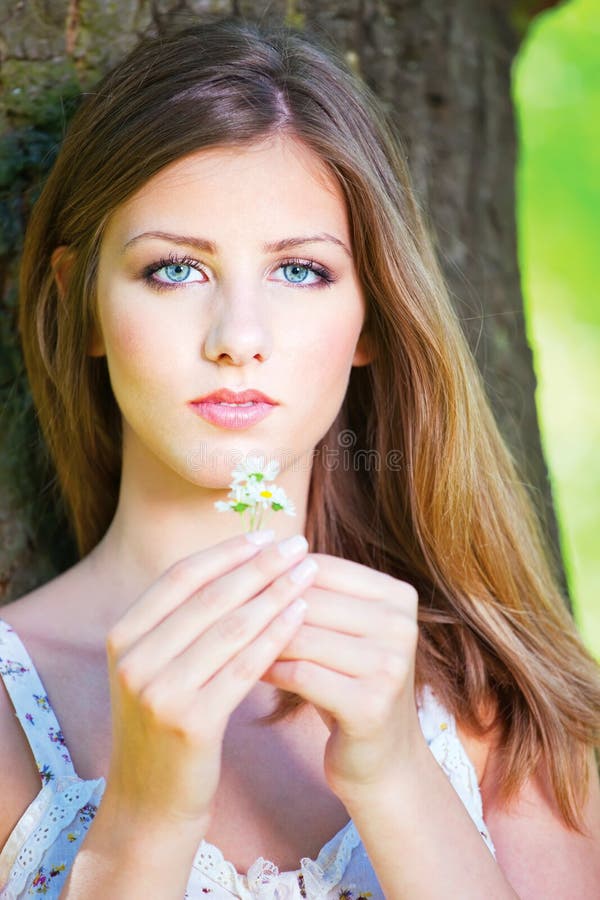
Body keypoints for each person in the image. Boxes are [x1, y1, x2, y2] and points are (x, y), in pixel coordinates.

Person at [0, 15, 598, 900]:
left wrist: (397, 776)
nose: (239, 339)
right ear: (79, 301)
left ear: (370, 315)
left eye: (300, 272)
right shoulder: (13, 712)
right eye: (173, 269)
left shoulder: (505, 696)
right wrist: (145, 824)